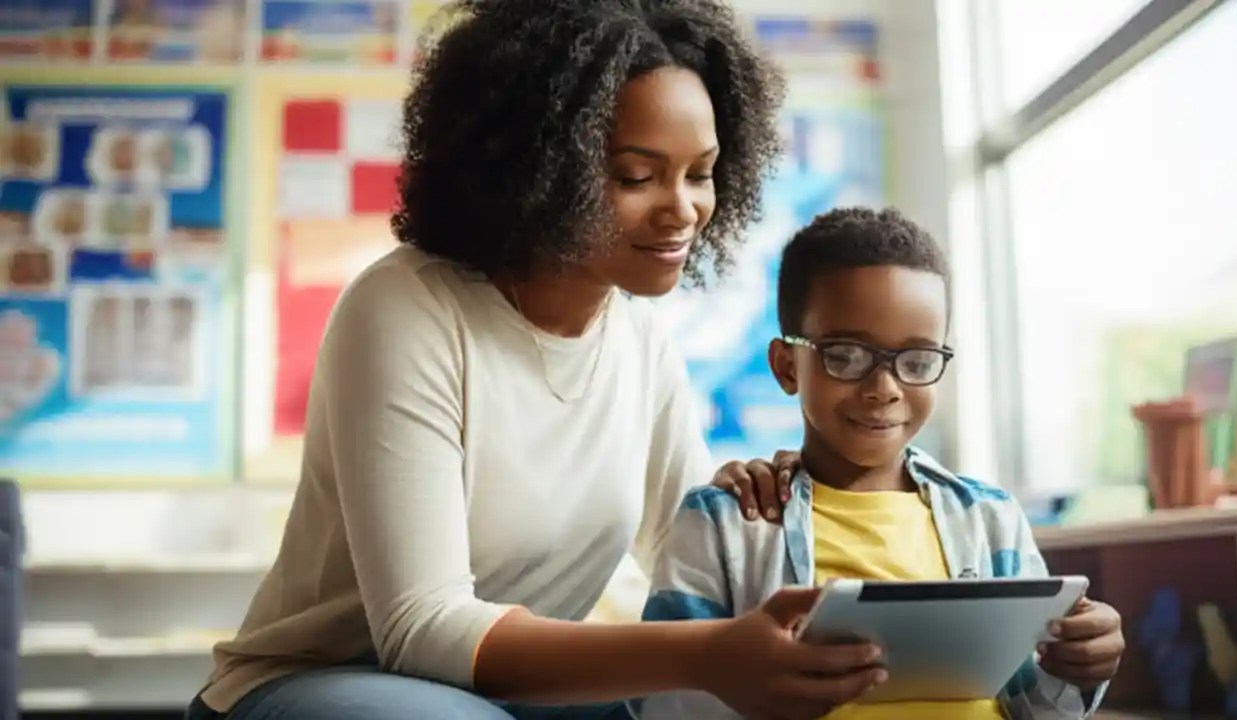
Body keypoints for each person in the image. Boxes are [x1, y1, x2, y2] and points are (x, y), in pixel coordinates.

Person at [185, 2, 873, 719]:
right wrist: (705, 654)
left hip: (502, 697)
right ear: (538, 168)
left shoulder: (637, 336)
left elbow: (684, 548)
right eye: (638, 177)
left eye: (700, 174)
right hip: (310, 683)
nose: (683, 210)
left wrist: (755, 512)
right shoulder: (405, 309)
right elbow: (422, 627)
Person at [637, 207, 1126, 719]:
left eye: (916, 362)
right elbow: (664, 702)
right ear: (787, 365)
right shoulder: (725, 523)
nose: (884, 389)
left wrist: (1074, 670)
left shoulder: (991, 521)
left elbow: (1036, 707)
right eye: (845, 356)